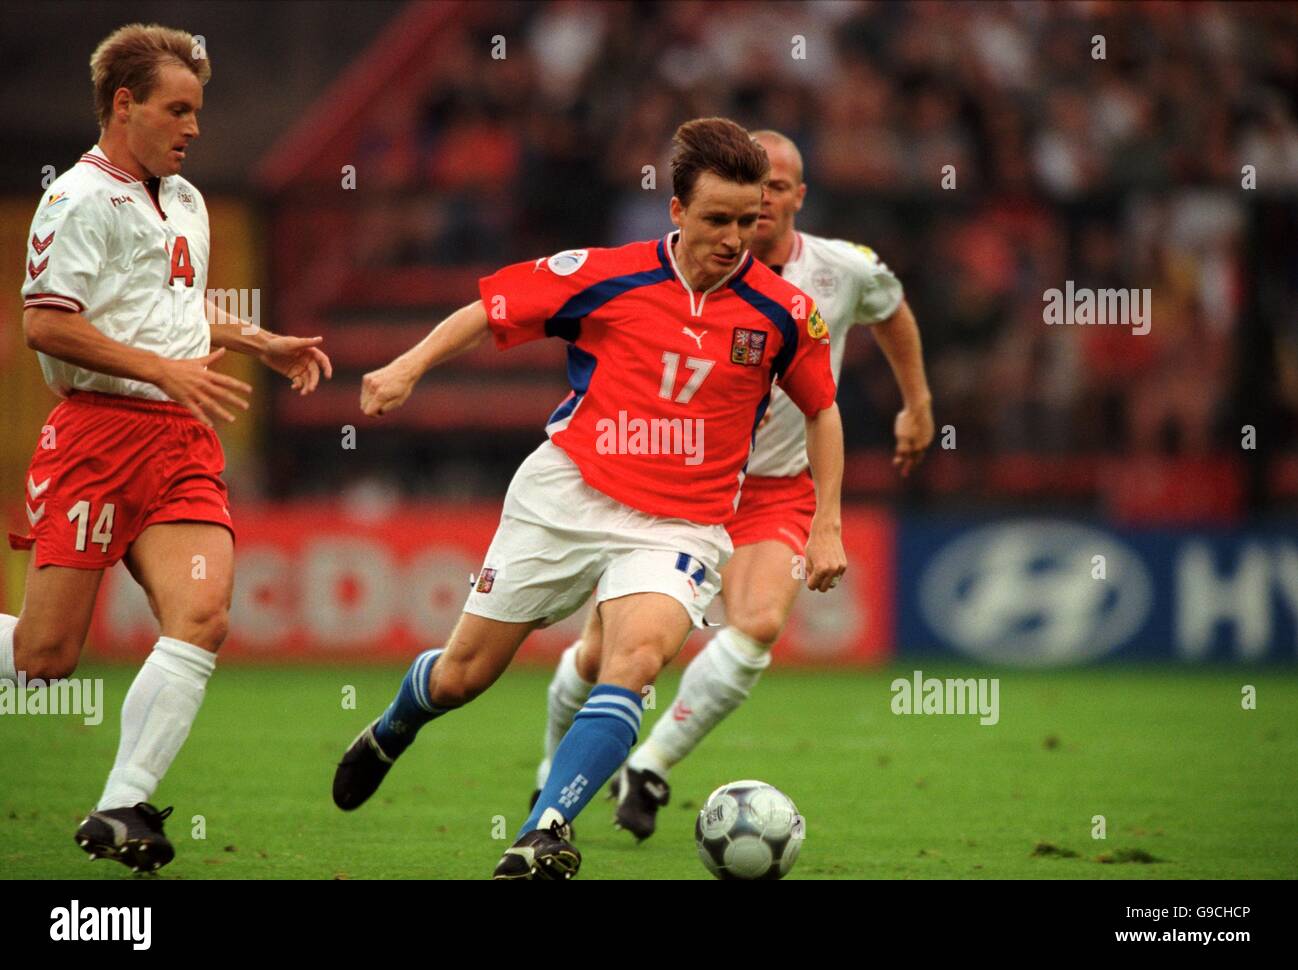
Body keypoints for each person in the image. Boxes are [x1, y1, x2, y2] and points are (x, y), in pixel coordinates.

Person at [331, 117, 847, 879]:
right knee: (463, 676)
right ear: (675, 210)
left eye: (747, 219)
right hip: (567, 495)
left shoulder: (783, 314)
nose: (734, 236)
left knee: (635, 660)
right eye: (716, 219)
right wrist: (406, 368)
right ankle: (395, 725)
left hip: (682, 520)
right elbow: (492, 307)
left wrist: (826, 524)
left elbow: (822, 412)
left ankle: (543, 832)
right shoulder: (607, 273)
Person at [533, 129, 934, 841]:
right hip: (672, 488)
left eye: (780, 187)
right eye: (756, 190)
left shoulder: (843, 270)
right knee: (600, 656)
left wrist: (918, 403)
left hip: (775, 489)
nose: (767, 201)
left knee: (758, 625)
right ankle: (549, 777)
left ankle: (650, 764)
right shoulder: (683, 276)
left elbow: (893, 311)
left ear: (796, 197)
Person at [0, 23, 331, 873]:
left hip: (180, 440)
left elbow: (172, 307)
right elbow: (45, 323)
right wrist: (158, 371)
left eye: (197, 111)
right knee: (43, 660)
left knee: (205, 615)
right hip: (96, 439)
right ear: (124, 105)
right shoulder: (75, 199)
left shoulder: (182, 199)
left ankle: (121, 806)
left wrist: (265, 343)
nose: (193, 127)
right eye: (176, 110)